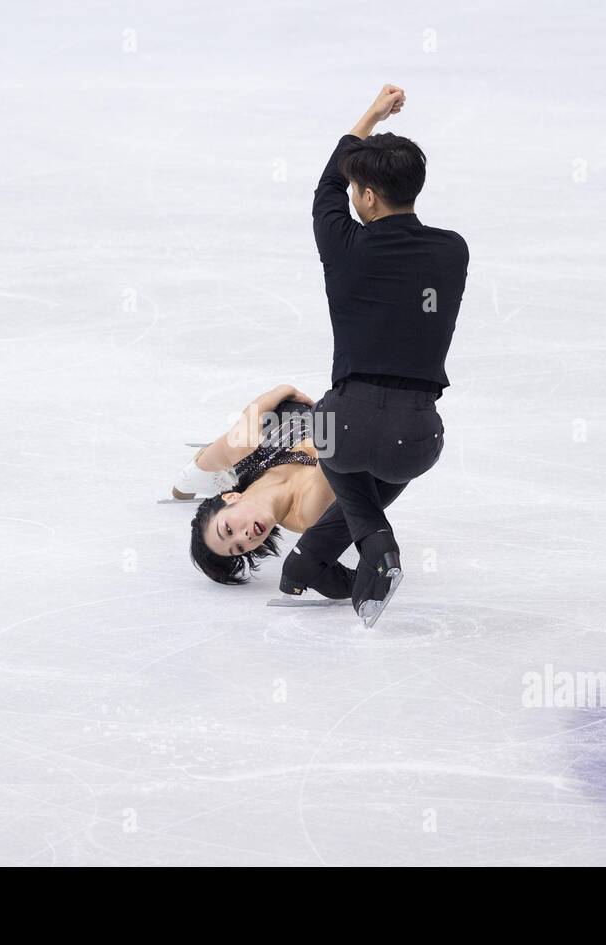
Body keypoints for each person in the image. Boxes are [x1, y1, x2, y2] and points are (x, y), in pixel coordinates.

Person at [310, 84, 469, 626]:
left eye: (358, 189)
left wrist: (371, 113)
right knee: (374, 467)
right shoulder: (453, 250)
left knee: (327, 432)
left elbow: (327, 182)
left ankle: (375, 540)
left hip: (345, 427)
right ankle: (310, 557)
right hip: (417, 442)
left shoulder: (343, 245)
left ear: (369, 197)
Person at [174, 384, 408, 596]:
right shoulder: (307, 513)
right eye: (239, 548)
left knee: (206, 463)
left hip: (301, 422)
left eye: (228, 529)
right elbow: (333, 444)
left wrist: (288, 392)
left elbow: (265, 402)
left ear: (231, 496)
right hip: (357, 436)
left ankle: (190, 477)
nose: (245, 538)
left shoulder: (244, 451)